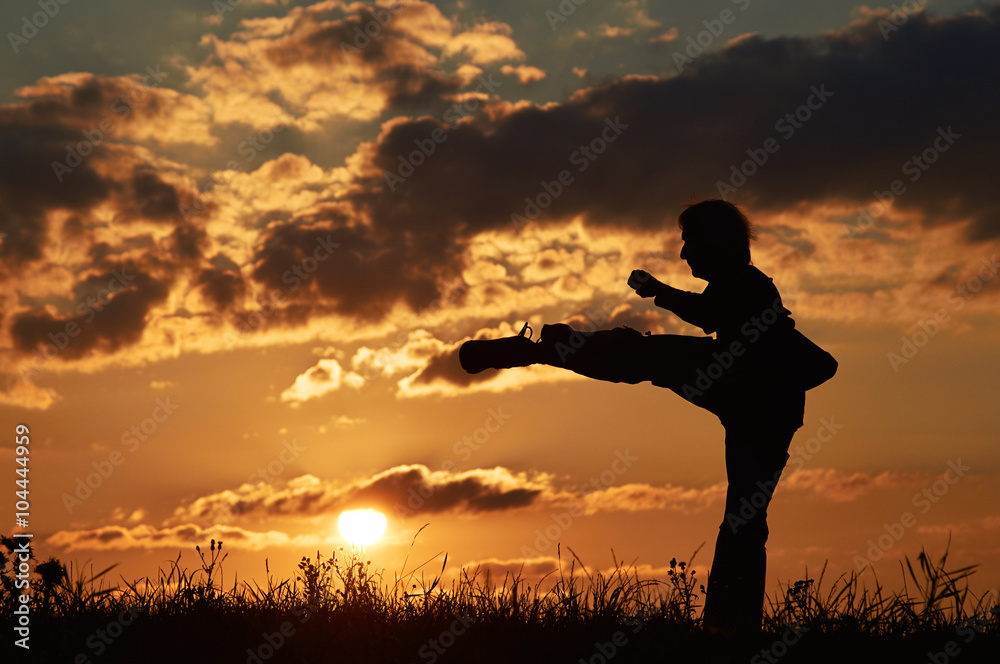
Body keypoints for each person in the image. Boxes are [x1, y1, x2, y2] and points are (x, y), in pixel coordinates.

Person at [459, 199, 836, 637]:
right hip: (755, 398)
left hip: (753, 395)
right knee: (744, 518)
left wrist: (660, 291)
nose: (683, 254)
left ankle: (729, 627)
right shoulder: (740, 284)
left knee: (647, 358)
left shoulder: (748, 283)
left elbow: (712, 316)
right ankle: (730, 628)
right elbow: (720, 317)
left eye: (688, 242)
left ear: (715, 243)